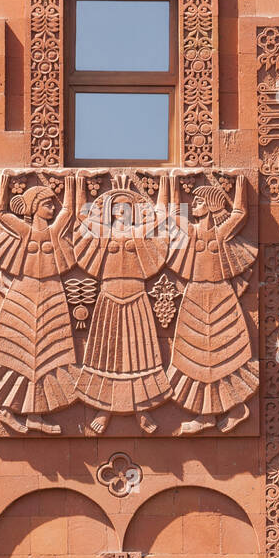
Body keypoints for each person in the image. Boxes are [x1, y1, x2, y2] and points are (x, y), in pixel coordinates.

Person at [73, 175, 170, 434]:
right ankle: (104, 410)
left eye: (128, 207)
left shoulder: (139, 233)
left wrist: (165, 183)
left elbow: (160, 216)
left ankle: (142, 409)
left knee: (140, 355)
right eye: (117, 207)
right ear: (109, 211)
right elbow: (83, 218)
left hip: (137, 296)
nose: (122, 211)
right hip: (109, 297)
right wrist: (79, 184)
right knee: (106, 354)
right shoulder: (104, 233)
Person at [0, 171, 79, 434]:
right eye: (47, 204)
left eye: (52, 203)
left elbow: (69, 211)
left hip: (51, 293)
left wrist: (70, 181)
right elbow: (0, 213)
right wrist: (4, 183)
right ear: (35, 207)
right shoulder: (24, 231)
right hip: (23, 293)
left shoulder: (54, 233)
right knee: (18, 351)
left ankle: (36, 416)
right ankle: (7, 409)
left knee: (49, 353)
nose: (53, 207)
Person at [164, 176, 258, 435]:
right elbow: (173, 213)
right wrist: (172, 183)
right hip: (195, 295)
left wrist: (240, 183)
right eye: (192, 202)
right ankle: (205, 416)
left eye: (198, 202)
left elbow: (239, 213)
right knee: (194, 356)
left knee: (225, 355)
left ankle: (236, 408)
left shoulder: (220, 234)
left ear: (210, 206)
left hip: (220, 295)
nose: (193, 205)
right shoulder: (193, 233)